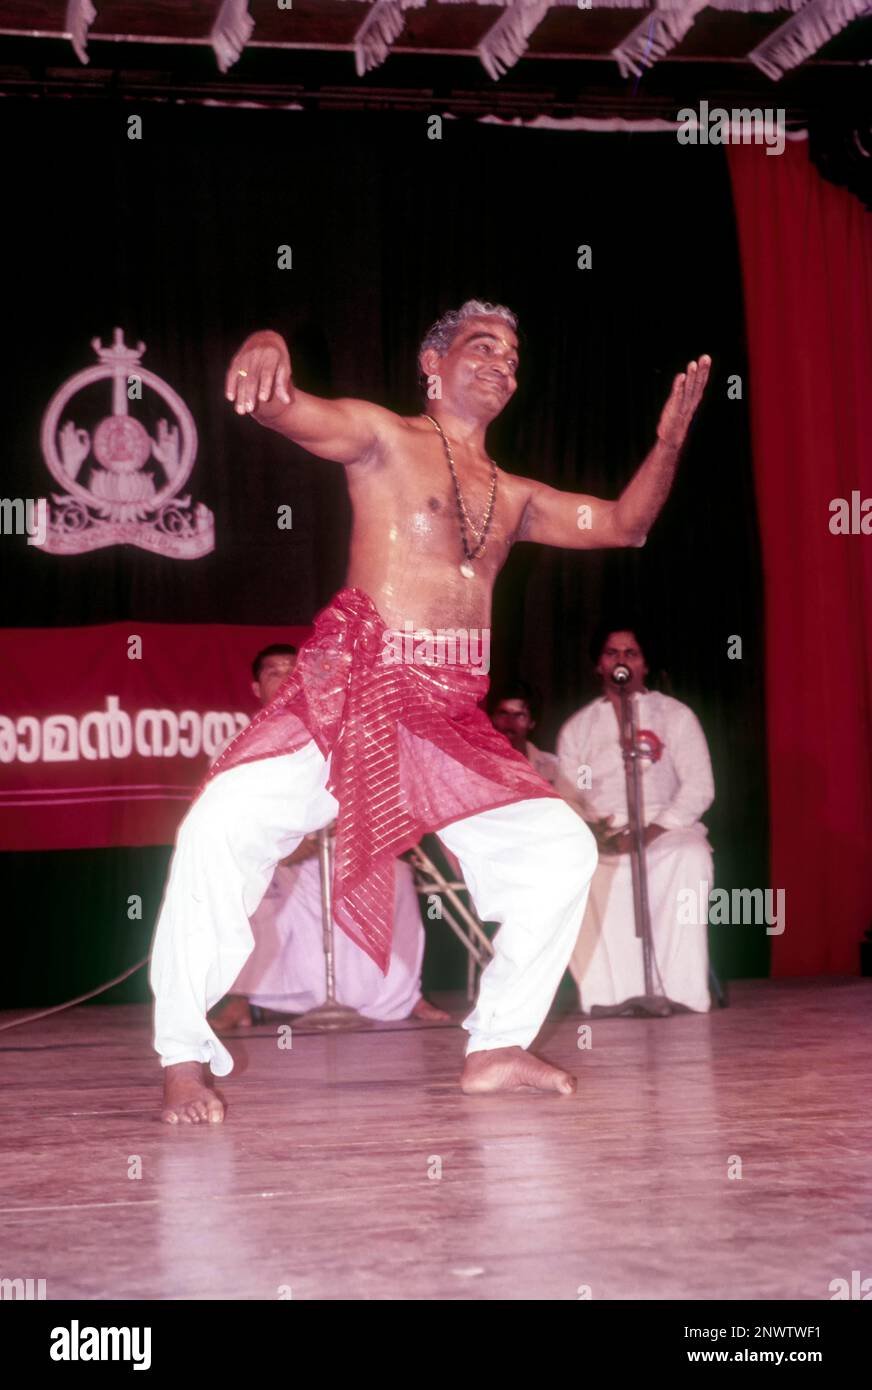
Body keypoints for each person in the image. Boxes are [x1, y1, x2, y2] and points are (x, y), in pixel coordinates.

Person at [150, 297, 710, 1122]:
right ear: (432, 364)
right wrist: (268, 343)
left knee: (559, 847)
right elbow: (285, 409)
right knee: (218, 826)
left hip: (446, 713)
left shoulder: (513, 496)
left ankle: (495, 1047)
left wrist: (667, 442)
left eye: (514, 360)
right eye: (482, 348)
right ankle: (182, 1057)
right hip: (352, 686)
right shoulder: (382, 438)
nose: (502, 367)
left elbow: (625, 526)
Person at [210, 644, 449, 1029]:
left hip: (342, 850)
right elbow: (234, 821)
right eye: (274, 672)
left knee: (398, 878)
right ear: (256, 688)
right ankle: (241, 999)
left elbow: (375, 798)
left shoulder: (339, 733)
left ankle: (405, 997)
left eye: (295, 670)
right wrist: (290, 847)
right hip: (279, 856)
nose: (288, 678)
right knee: (249, 883)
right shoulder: (238, 747)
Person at [556, 625, 715, 1013]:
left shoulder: (675, 715)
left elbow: (700, 786)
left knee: (691, 856)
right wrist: (600, 835)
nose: (622, 660)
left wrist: (653, 830)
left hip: (666, 828)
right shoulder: (579, 728)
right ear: (599, 665)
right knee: (578, 870)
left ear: (644, 664)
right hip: (603, 834)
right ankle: (608, 996)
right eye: (612, 653)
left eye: (632, 652)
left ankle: (680, 993)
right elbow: (568, 796)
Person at [489, 682, 559, 785]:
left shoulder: (554, 767)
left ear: (532, 722)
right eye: (503, 713)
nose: (510, 721)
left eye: (519, 715)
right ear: (492, 718)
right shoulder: (478, 764)